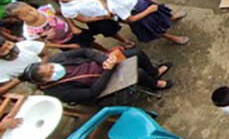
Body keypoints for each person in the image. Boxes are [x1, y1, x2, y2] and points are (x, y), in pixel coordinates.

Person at [20, 47, 172, 103]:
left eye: (50, 67)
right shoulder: (56, 91)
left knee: (136, 53)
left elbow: (84, 51)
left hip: (105, 65)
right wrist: (108, 70)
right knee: (137, 72)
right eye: (49, 74)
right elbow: (91, 93)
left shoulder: (57, 59)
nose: (54, 70)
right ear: (44, 81)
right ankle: (156, 85)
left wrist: (104, 61)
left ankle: (154, 73)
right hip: (102, 83)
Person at [91, 0, 188, 45]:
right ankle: (172, 38)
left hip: (143, 3)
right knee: (155, 29)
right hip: (140, 15)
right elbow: (130, 20)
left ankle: (172, 17)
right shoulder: (114, 5)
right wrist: (148, 11)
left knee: (161, 12)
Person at [44, 0, 133, 48]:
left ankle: (136, 27)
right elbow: (83, 19)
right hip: (95, 20)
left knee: (124, 17)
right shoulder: (66, 10)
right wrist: (102, 17)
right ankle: (123, 40)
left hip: (104, 9)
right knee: (110, 31)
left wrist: (106, 7)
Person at [6, 2, 96, 50]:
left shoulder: (45, 10)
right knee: (83, 51)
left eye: (31, 9)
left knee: (91, 41)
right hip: (64, 43)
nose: (32, 14)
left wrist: (72, 26)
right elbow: (43, 44)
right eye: (26, 15)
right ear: (18, 20)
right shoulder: (30, 32)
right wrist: (67, 47)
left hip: (73, 31)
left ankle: (105, 50)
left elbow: (62, 13)